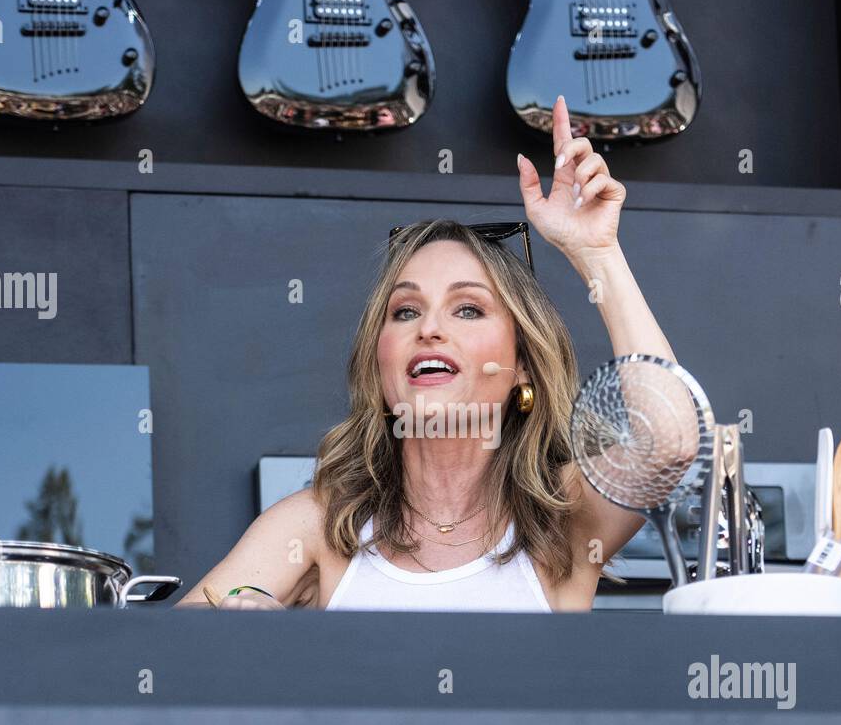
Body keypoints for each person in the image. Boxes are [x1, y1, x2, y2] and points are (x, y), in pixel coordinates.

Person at [176, 95, 691, 612]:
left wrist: (596, 252)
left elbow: (671, 444)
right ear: (378, 366)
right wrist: (242, 612)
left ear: (523, 368)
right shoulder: (318, 522)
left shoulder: (568, 513)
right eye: (404, 311)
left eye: (467, 309)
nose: (430, 328)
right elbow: (175, 642)